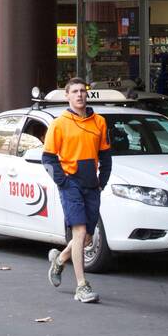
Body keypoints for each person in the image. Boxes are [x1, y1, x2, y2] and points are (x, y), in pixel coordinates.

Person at [43, 77, 112, 304]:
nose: (80, 95)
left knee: (87, 237)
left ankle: (60, 261)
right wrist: (63, 181)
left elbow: (106, 155)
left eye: (83, 91)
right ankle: (81, 286)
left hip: (92, 184)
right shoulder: (59, 123)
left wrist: (102, 180)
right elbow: (48, 158)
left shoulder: (99, 122)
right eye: (75, 91)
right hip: (70, 184)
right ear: (67, 95)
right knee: (80, 232)